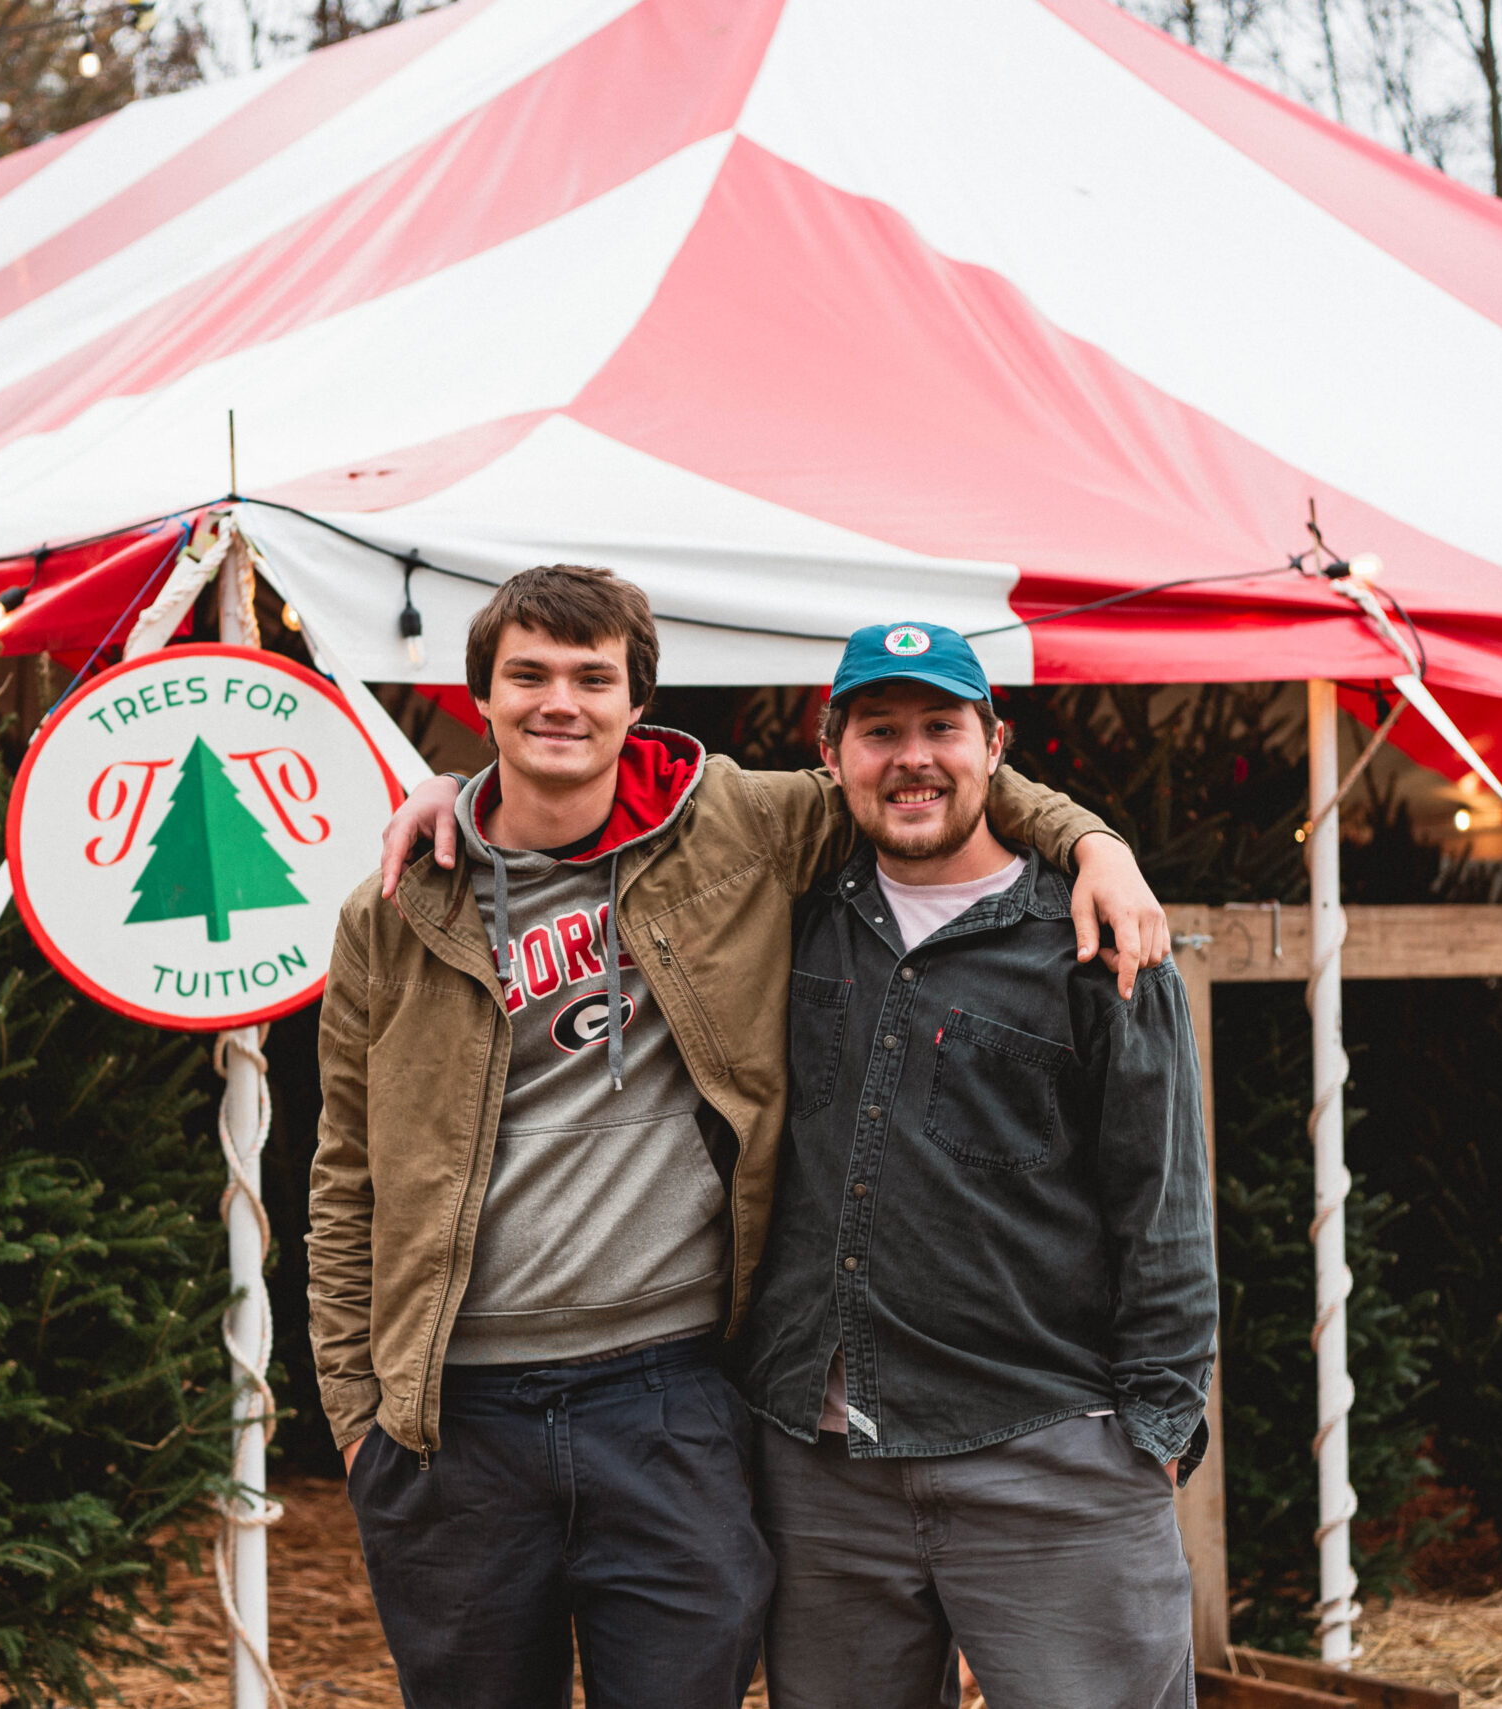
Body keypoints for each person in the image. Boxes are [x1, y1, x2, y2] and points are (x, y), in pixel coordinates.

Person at [312, 564, 1170, 1709]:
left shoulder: (731, 827)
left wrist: (1095, 842)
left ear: (635, 701)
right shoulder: (397, 903)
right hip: (454, 1414)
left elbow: (921, 780)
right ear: (482, 697)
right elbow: (344, 1176)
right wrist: (359, 1419)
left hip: (665, 1389)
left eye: (590, 676)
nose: (558, 700)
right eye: (527, 674)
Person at [736, 621, 1216, 1709]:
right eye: (879, 730)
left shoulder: (1095, 943)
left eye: (941, 726)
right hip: (820, 1471)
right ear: (831, 752)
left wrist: (1151, 1434)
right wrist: (449, 792)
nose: (912, 756)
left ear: (994, 743)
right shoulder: (788, 920)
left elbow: (1165, 1209)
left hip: (1046, 1450)